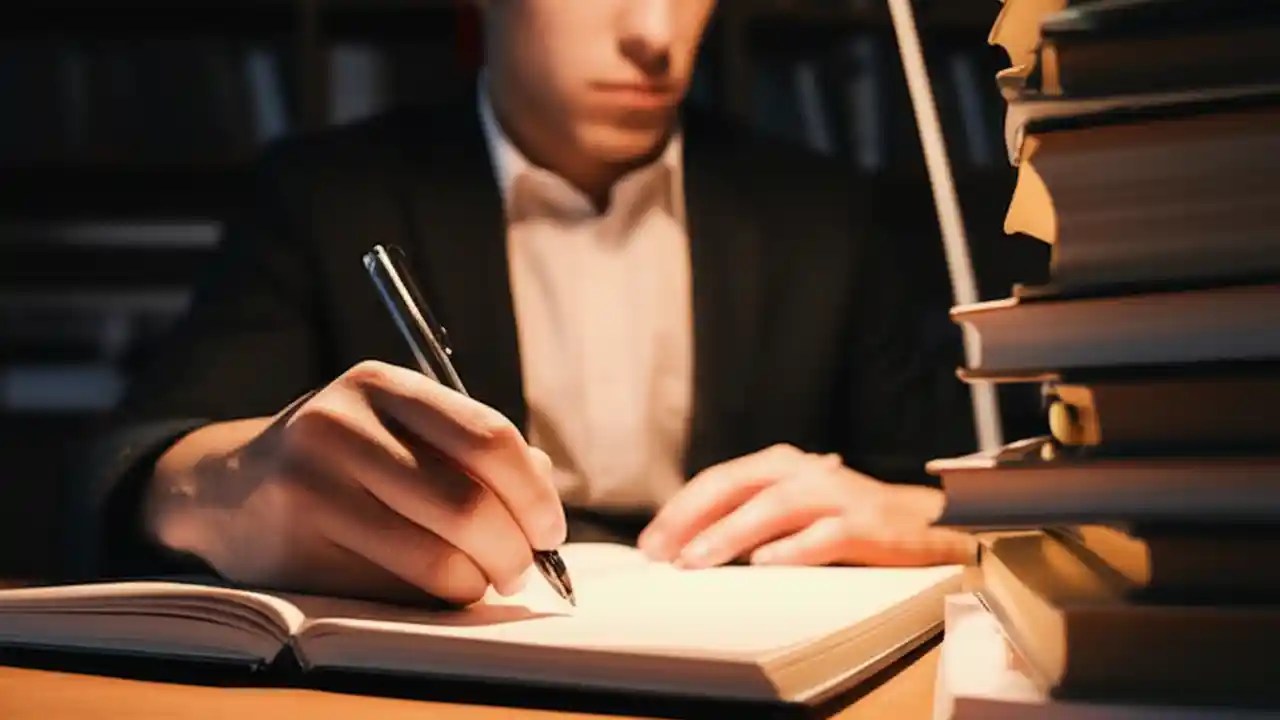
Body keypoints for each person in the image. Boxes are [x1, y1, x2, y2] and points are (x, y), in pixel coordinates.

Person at [73, 0, 979, 606]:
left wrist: (932, 522)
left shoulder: (829, 211)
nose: (656, 34)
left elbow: (965, 491)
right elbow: (125, 464)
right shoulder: (329, 193)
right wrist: (227, 488)